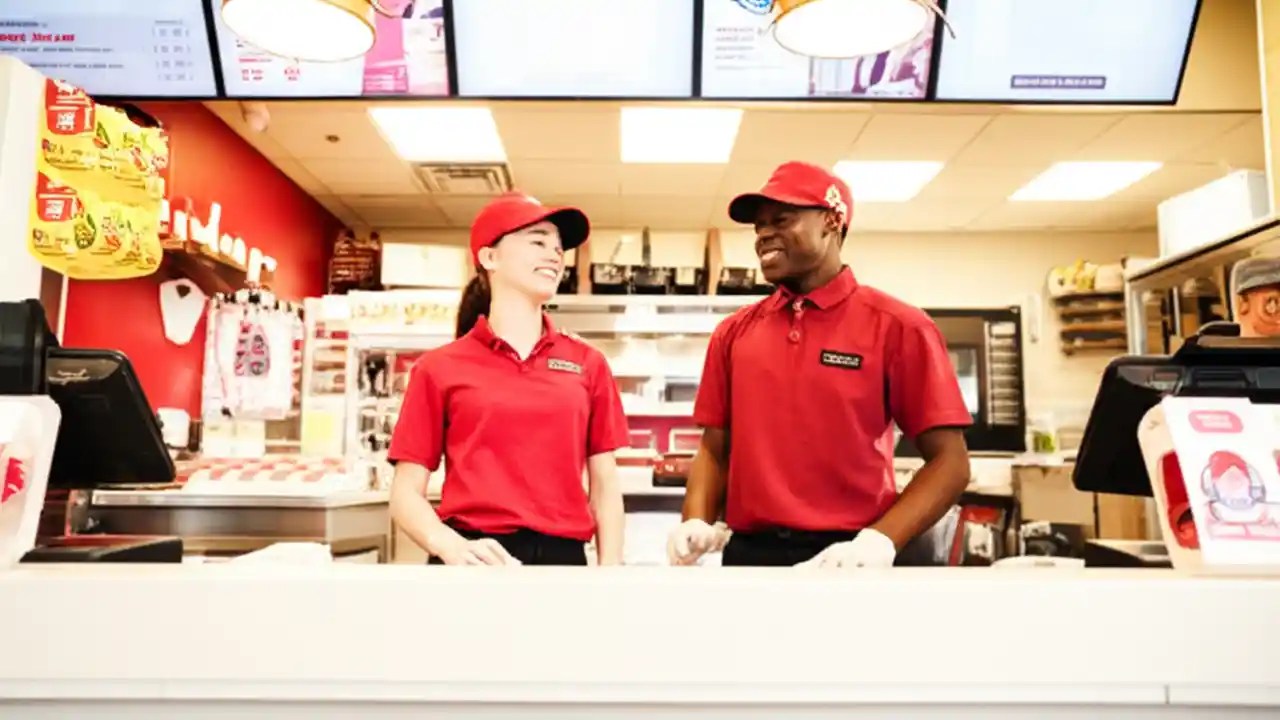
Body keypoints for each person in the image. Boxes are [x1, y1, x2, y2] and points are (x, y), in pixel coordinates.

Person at [667, 161, 973, 569]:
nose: (764, 236)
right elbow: (714, 447)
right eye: (759, 226)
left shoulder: (899, 326)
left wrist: (879, 541)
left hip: (850, 556)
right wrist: (697, 519)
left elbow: (950, 462)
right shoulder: (734, 332)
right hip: (750, 555)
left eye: (782, 219)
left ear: (832, 220)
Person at [388, 192, 629, 566]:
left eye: (558, 246)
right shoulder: (438, 368)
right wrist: (451, 546)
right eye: (537, 241)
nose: (555, 254)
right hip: (473, 558)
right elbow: (405, 493)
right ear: (489, 256)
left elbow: (605, 484)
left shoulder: (588, 363)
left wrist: (610, 572)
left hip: (561, 562)